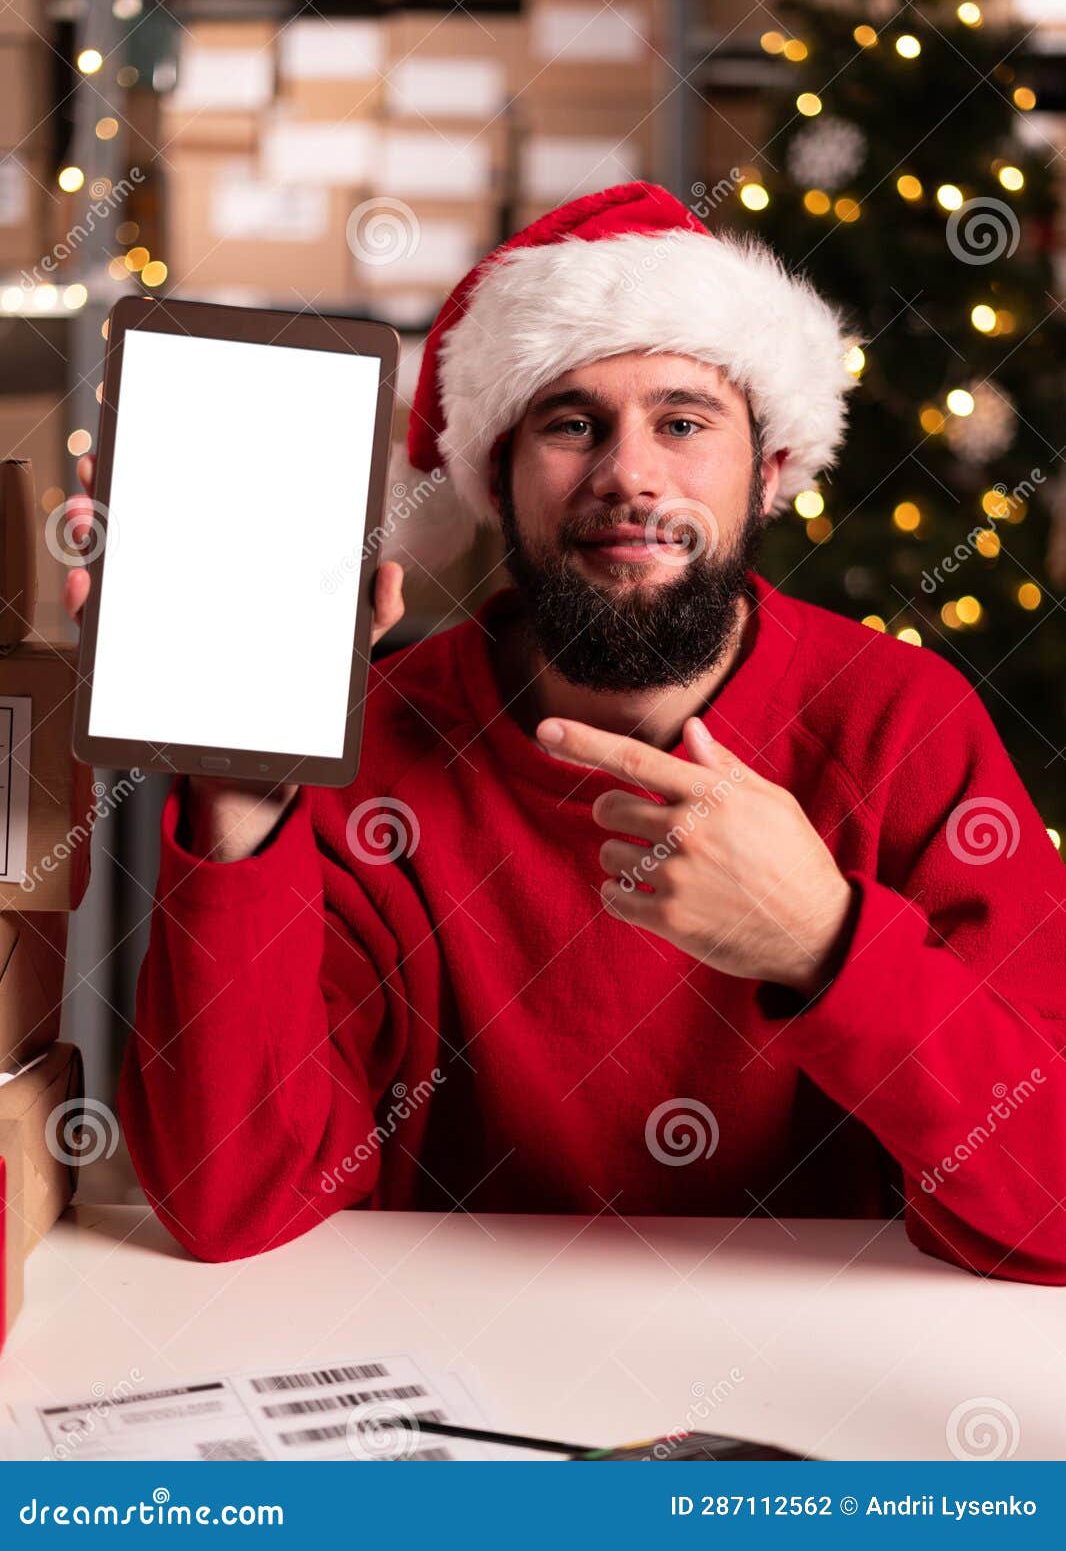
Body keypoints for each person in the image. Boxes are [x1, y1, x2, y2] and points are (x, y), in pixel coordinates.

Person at [66, 182, 1066, 1281]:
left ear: (770, 472)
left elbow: (1049, 1204)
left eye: (683, 423)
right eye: (572, 423)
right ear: (496, 476)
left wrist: (823, 944)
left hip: (808, 1390)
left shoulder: (899, 723)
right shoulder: (375, 747)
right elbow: (231, 1200)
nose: (629, 473)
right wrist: (241, 796)